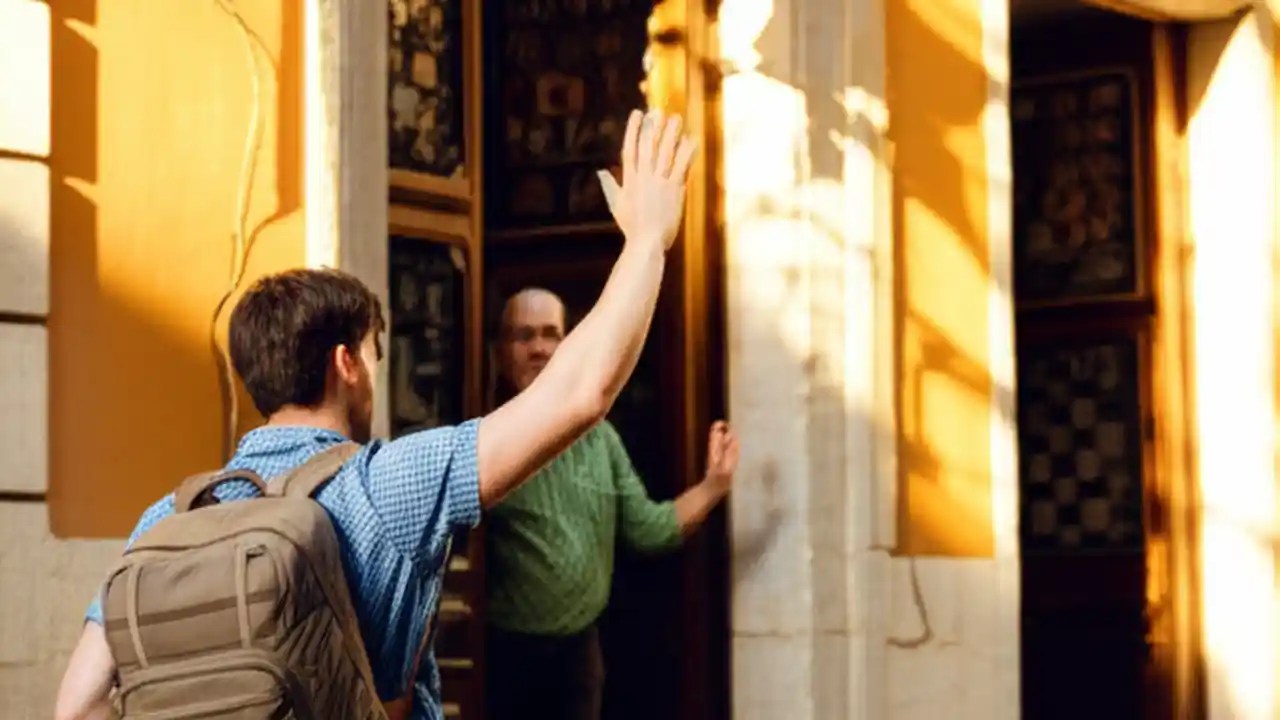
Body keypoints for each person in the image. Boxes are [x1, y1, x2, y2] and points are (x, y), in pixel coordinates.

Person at [54, 108, 698, 720]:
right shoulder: (389, 485)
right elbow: (580, 392)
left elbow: (77, 705)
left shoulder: (167, 520)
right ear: (347, 363)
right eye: (375, 351)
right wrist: (646, 241)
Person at [484, 287, 740, 720]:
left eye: (551, 334)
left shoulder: (600, 439)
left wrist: (714, 485)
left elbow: (650, 530)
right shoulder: (484, 436)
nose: (539, 348)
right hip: (503, 657)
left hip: (579, 655)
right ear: (499, 352)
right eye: (523, 336)